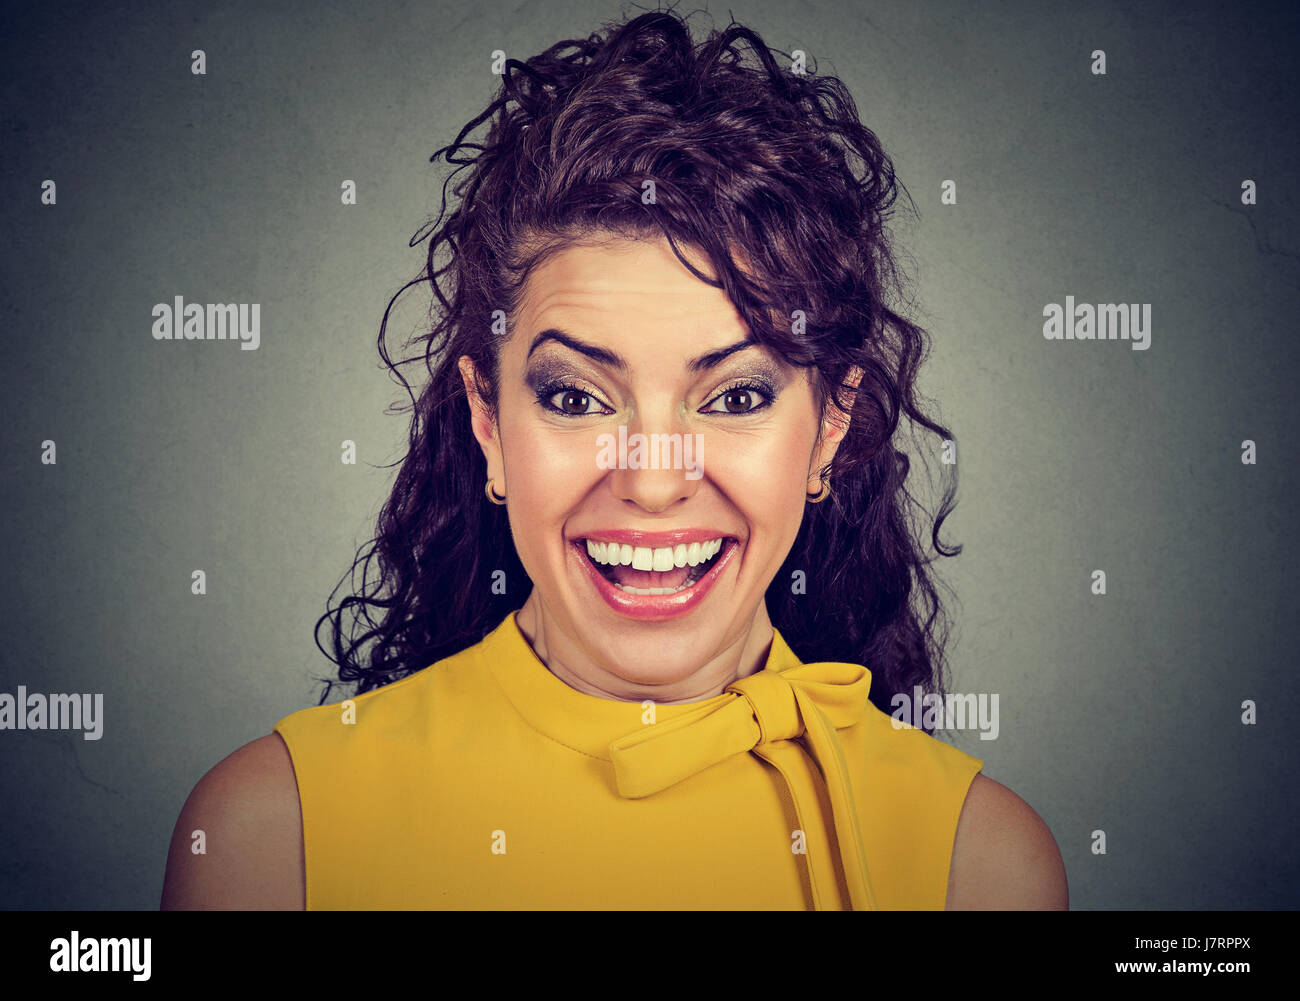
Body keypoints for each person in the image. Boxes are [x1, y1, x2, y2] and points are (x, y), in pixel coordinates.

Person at [162, 10, 1066, 910]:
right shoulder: (270, 837)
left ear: (831, 425)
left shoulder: (980, 867)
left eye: (737, 397)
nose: (653, 480)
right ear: (488, 420)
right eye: (576, 397)